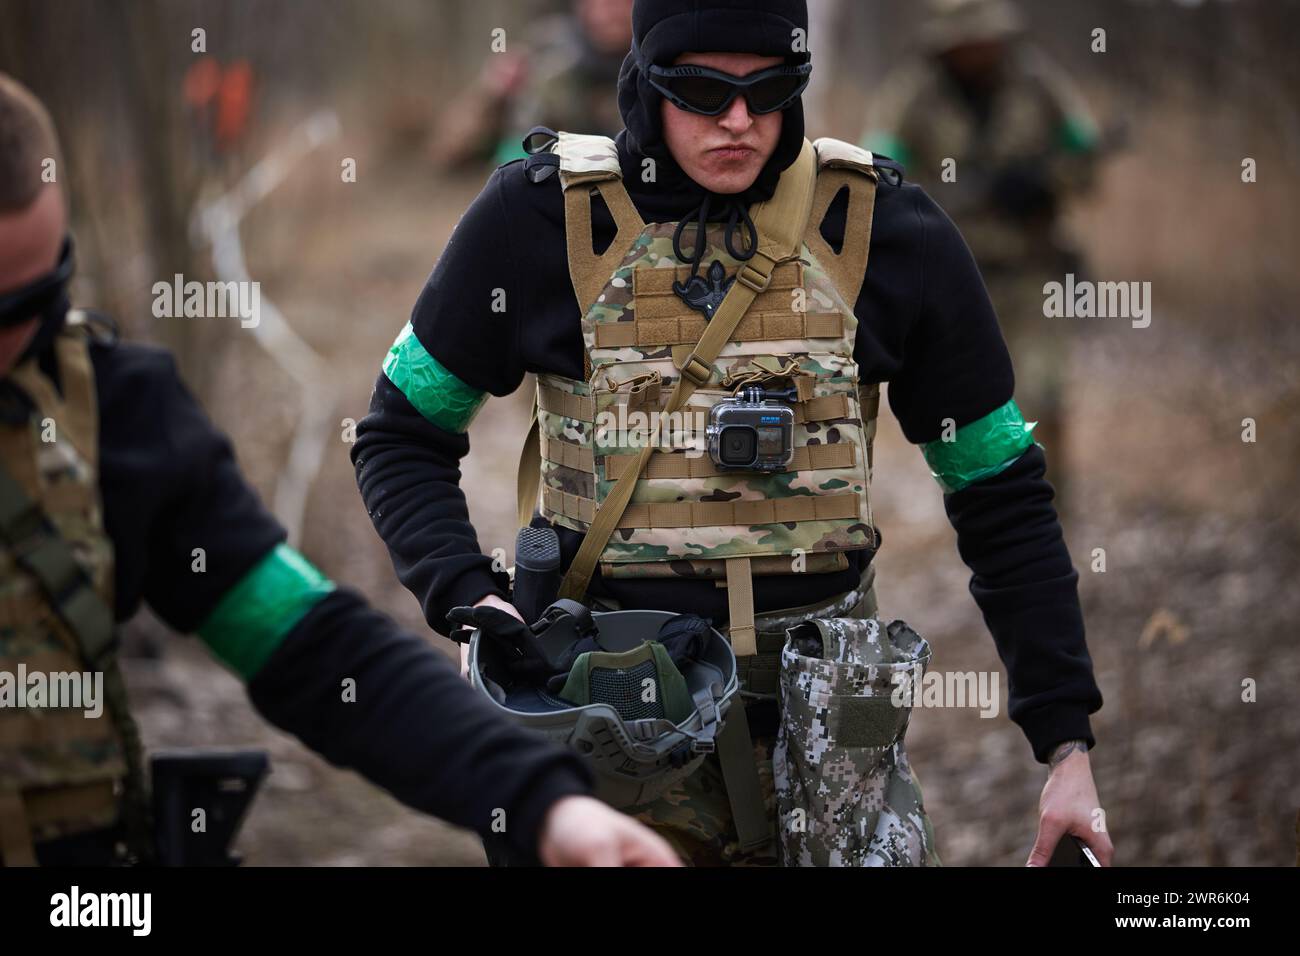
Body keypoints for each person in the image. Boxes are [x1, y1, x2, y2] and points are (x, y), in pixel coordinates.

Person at [354, 0, 1112, 867]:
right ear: (645, 80)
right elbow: (398, 432)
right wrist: (459, 589)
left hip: (835, 749)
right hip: (616, 734)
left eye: (769, 89)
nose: (740, 120)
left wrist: (1067, 744)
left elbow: (1000, 490)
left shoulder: (883, 231)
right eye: (703, 91)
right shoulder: (537, 221)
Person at [0, 72, 678, 868]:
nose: (15, 346)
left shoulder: (111, 416)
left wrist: (543, 803)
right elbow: (400, 432)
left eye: (35, 305)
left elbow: (310, 645)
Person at [863, 0, 1102, 508]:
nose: (977, 50)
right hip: (955, 279)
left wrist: (1043, 183)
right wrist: (938, 204)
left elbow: (1084, 157)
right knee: (974, 407)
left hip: (1032, 271)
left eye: (984, 39)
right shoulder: (912, 96)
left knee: (1044, 392)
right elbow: (878, 173)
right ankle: (992, 511)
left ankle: (1048, 512)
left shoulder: (1038, 83)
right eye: (965, 42)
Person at [429, 0, 633, 171]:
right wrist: (491, 93)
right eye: (601, 2)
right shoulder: (546, 49)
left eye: (621, 3)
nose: (610, 13)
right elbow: (449, 152)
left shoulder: (654, 62)